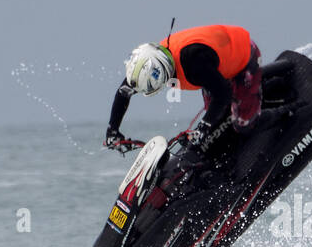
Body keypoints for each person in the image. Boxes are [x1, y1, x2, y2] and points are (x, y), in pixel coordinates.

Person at [104, 24, 262, 162]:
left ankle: (279, 118)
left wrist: (202, 128)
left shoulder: (193, 63)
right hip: (214, 64)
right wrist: (113, 130)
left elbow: (223, 94)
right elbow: (124, 93)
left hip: (243, 53)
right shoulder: (147, 61)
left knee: (242, 124)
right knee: (216, 122)